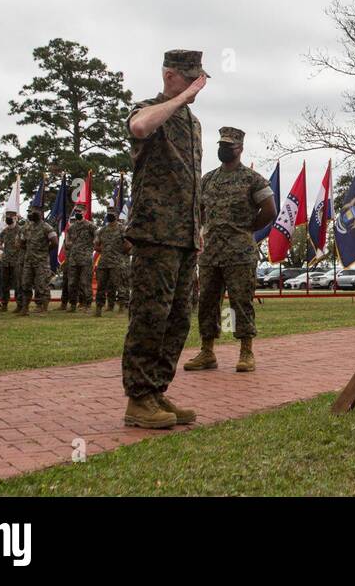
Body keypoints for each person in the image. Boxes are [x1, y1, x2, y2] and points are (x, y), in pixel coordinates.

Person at [120, 49, 208, 430]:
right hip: (155, 234)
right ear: (169, 76)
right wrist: (179, 100)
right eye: (189, 79)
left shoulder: (194, 124)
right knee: (150, 316)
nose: (196, 87)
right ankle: (138, 399)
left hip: (185, 236)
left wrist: (198, 228)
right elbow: (139, 129)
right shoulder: (149, 109)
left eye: (198, 80)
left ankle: (156, 390)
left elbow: (191, 181)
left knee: (177, 319)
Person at [184, 127, 277, 374]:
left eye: (229, 146)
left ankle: (246, 352)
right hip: (210, 253)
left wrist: (247, 230)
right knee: (207, 303)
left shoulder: (252, 179)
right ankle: (207, 351)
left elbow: (270, 210)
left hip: (240, 254)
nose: (224, 150)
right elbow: (199, 211)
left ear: (240, 148)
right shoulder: (208, 179)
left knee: (240, 302)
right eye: (222, 145)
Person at [18, 200, 59, 314]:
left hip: (41, 261)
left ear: (40, 214)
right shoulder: (26, 228)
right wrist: (28, 250)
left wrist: (44, 251)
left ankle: (42, 306)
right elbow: (21, 242)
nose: (31, 214)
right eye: (30, 212)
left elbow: (55, 242)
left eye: (34, 212)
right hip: (28, 261)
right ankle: (25, 307)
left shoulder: (47, 227)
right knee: (25, 284)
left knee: (42, 285)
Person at [94, 210, 128, 316]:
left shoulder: (123, 229)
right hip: (104, 262)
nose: (110, 215)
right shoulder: (102, 230)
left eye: (112, 214)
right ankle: (99, 308)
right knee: (101, 286)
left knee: (119, 285)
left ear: (116, 216)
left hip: (117, 262)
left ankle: (122, 307)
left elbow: (129, 244)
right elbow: (96, 245)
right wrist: (104, 250)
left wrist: (120, 253)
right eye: (108, 214)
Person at [63, 208, 97, 313]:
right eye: (76, 212)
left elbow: (98, 237)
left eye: (80, 211)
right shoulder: (71, 228)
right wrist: (68, 243)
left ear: (84, 213)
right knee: (72, 283)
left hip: (85, 258)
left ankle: (88, 305)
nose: (78, 213)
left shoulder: (90, 226)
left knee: (85, 282)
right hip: (73, 259)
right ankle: (73, 304)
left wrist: (94, 244)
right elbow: (67, 240)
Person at [0, 210, 24, 311]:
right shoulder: (4, 232)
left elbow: (25, 243)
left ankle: (19, 305)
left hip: (17, 261)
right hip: (5, 261)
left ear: (15, 218)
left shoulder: (21, 230)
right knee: (4, 284)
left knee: (18, 284)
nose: (9, 219)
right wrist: (4, 249)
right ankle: (4, 305)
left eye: (11, 217)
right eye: (7, 217)